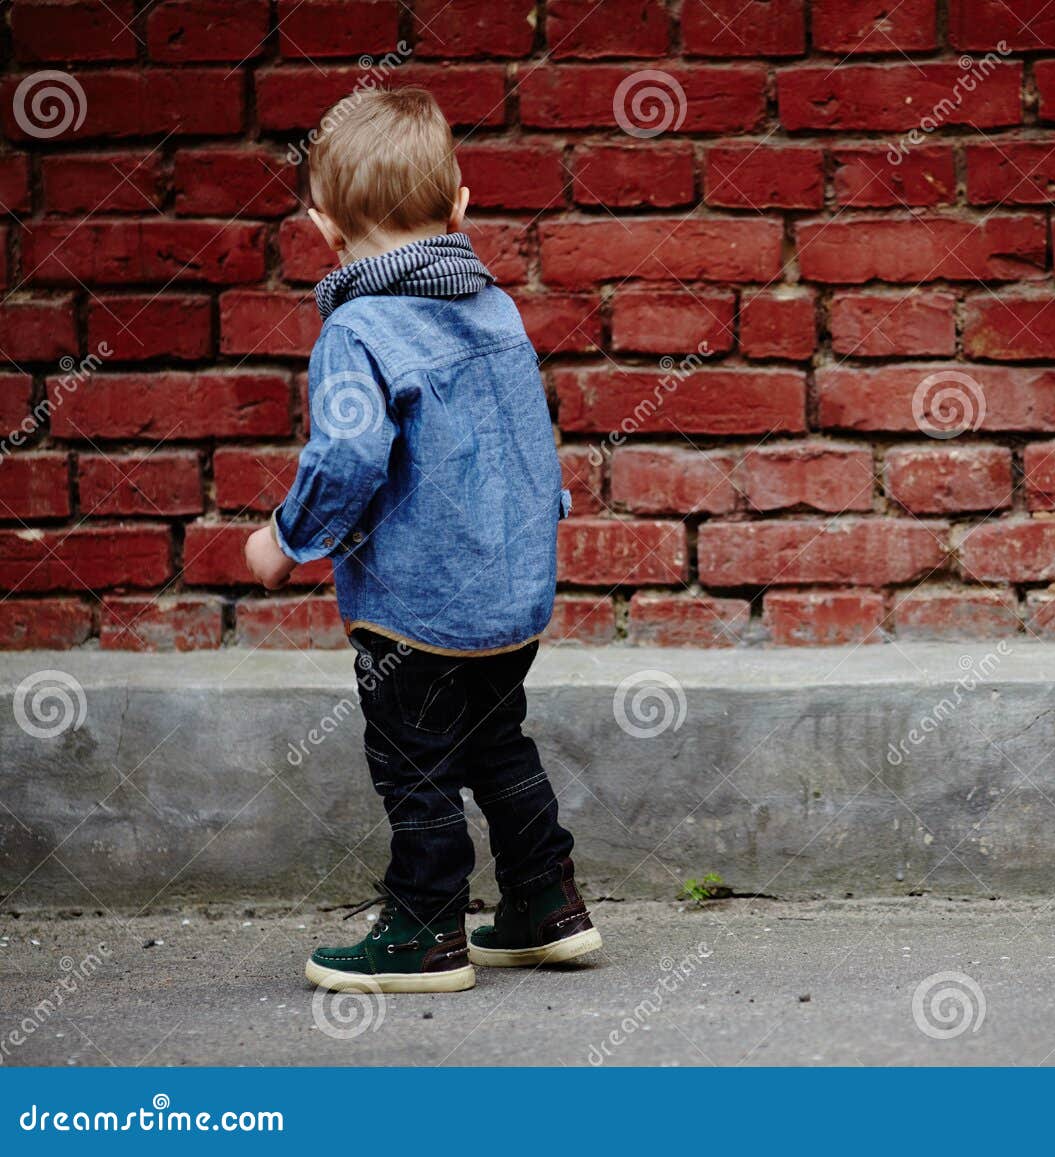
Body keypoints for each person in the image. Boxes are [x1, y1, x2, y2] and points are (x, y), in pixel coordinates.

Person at [244, 87, 600, 994]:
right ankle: (546, 905)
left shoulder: (355, 330)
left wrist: (290, 536)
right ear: (459, 208)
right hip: (510, 597)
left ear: (325, 229)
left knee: (413, 762)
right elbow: (530, 440)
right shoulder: (495, 310)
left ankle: (424, 929)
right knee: (497, 745)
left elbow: (354, 448)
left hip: (416, 606)